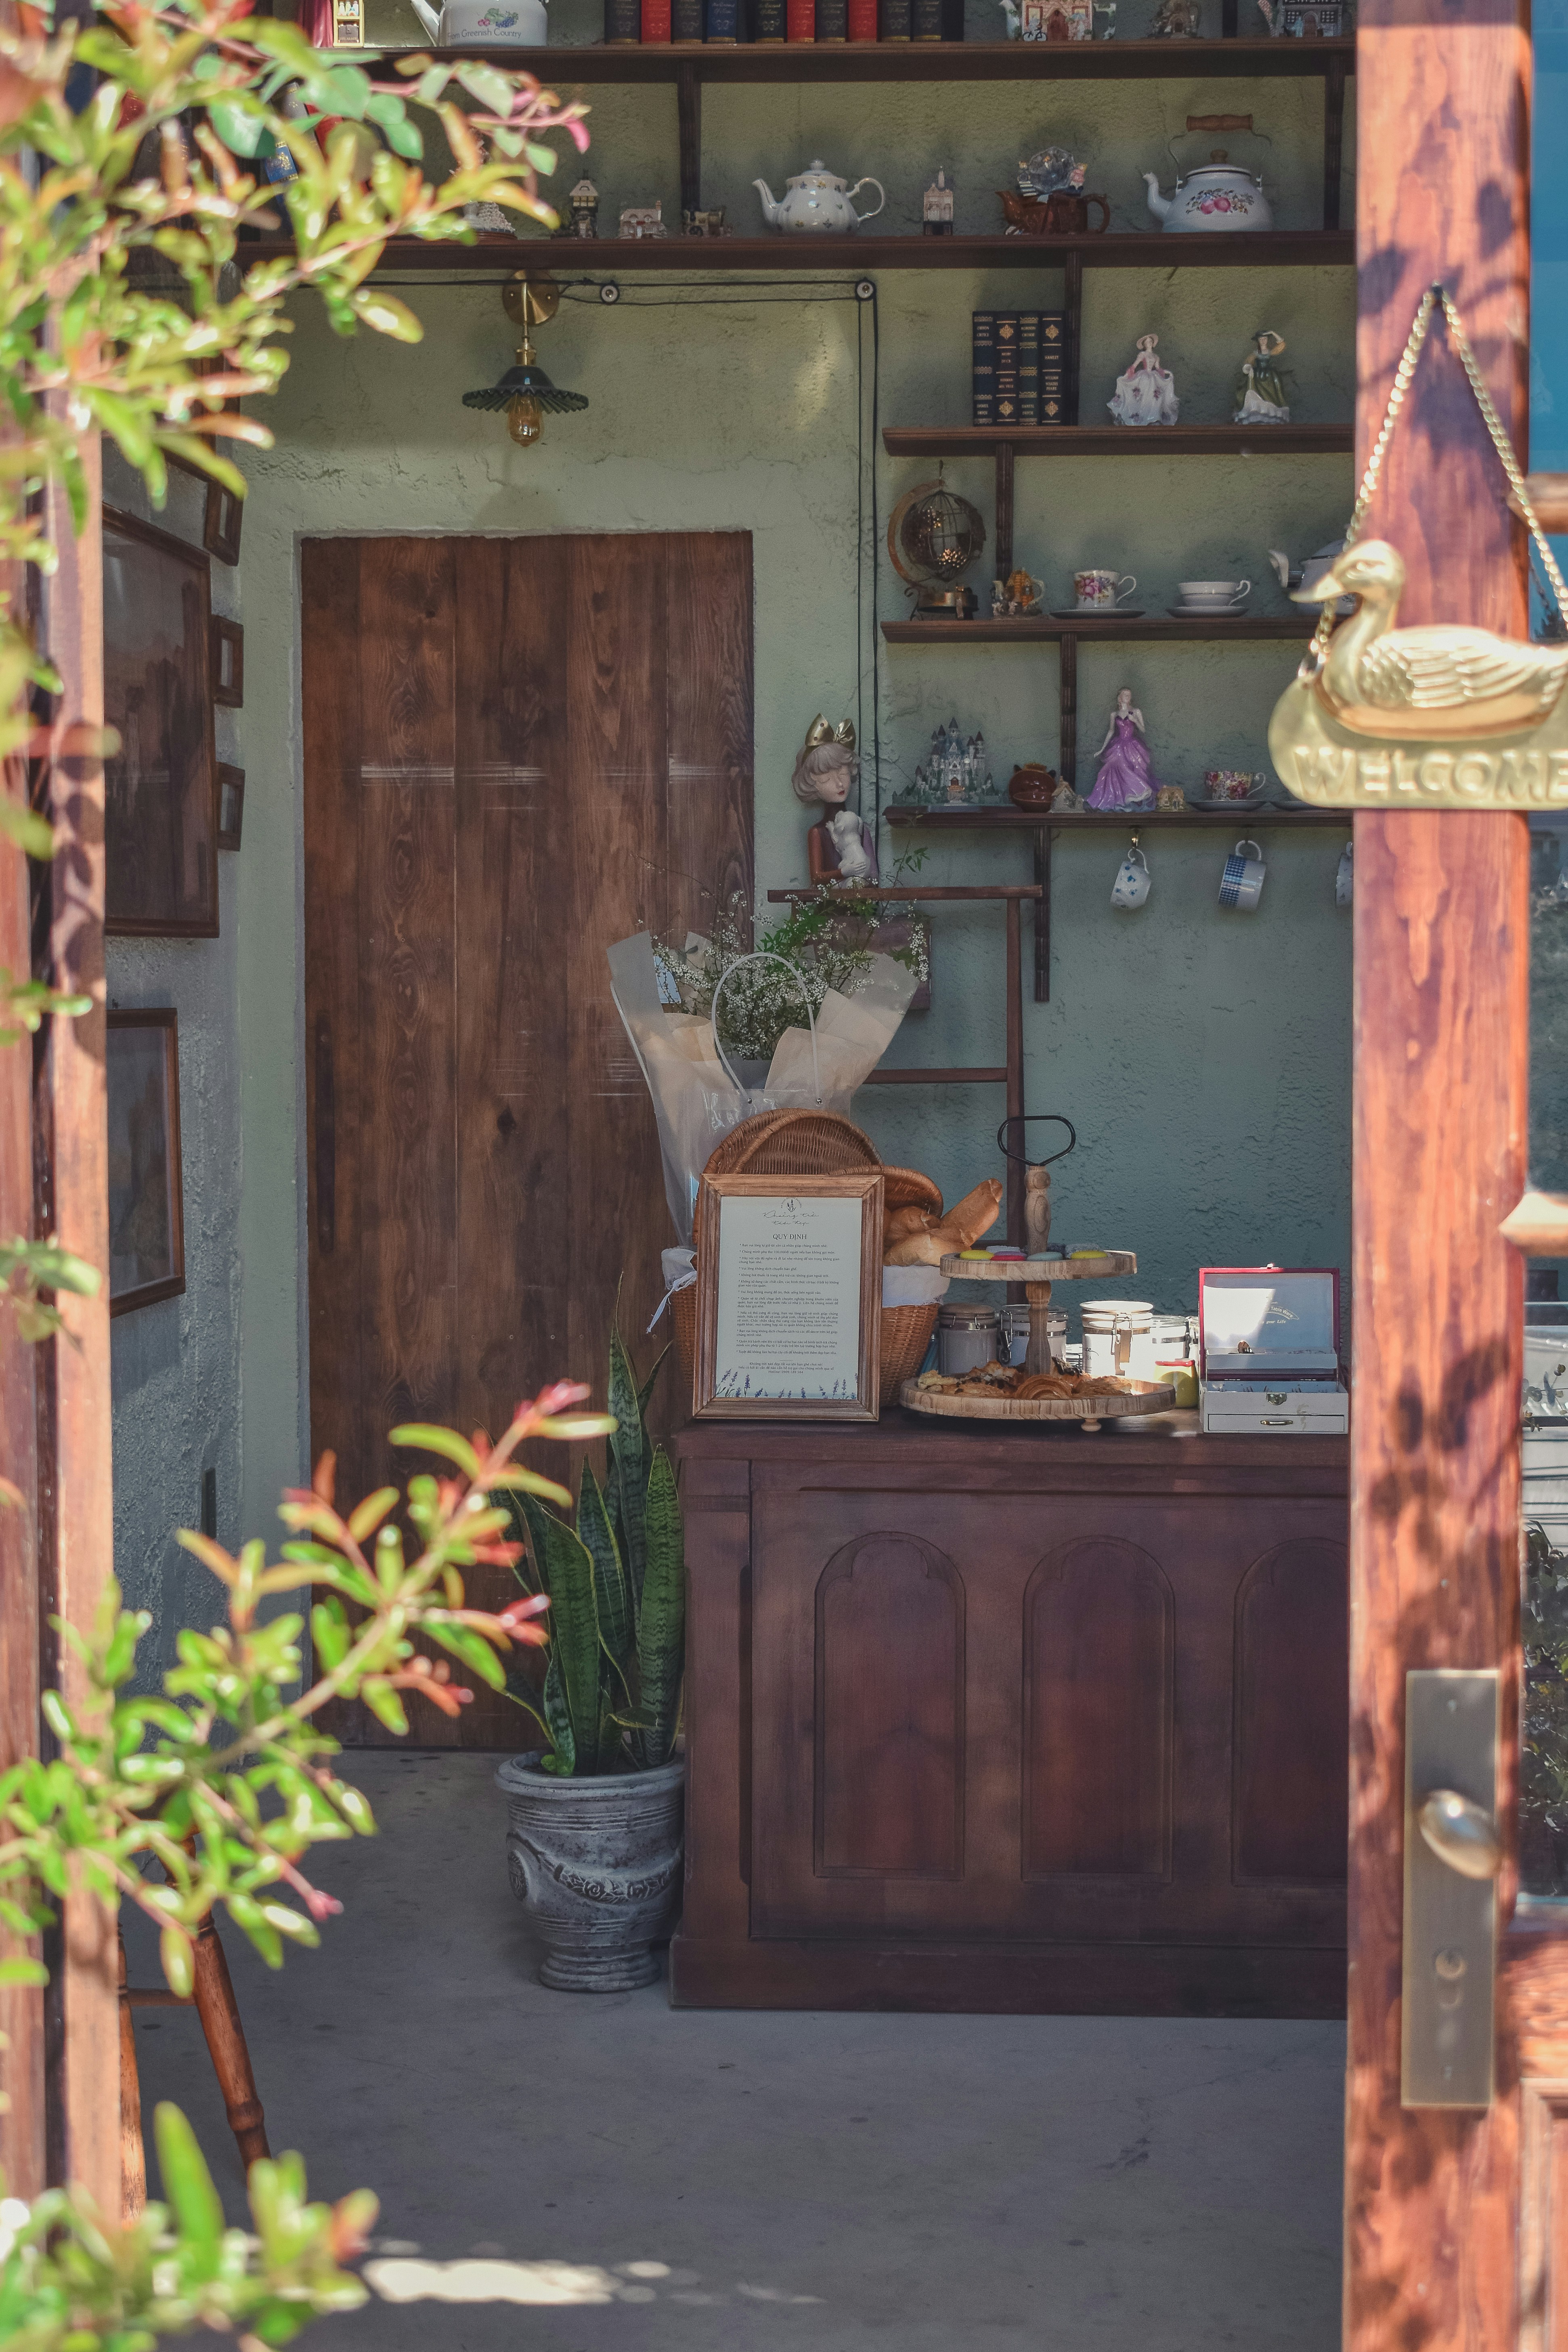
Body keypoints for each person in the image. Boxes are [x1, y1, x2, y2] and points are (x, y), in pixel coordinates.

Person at [791, 716, 879, 885]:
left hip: (863, 906)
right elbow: (816, 878)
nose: (839, 783)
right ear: (812, 785)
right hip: (826, 909)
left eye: (843, 774)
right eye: (826, 780)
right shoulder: (818, 833)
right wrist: (844, 872)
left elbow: (874, 875)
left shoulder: (861, 829)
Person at [1088, 687, 1163, 809]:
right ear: (1120, 697)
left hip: (1132, 745)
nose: (1127, 697)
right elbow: (1111, 731)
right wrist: (1102, 749)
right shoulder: (1114, 714)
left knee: (1134, 767)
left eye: (1129, 695)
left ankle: (1138, 792)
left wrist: (1135, 721)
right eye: (1125, 694)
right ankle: (1117, 798)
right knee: (1112, 766)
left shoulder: (1136, 712)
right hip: (1119, 744)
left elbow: (1143, 730)